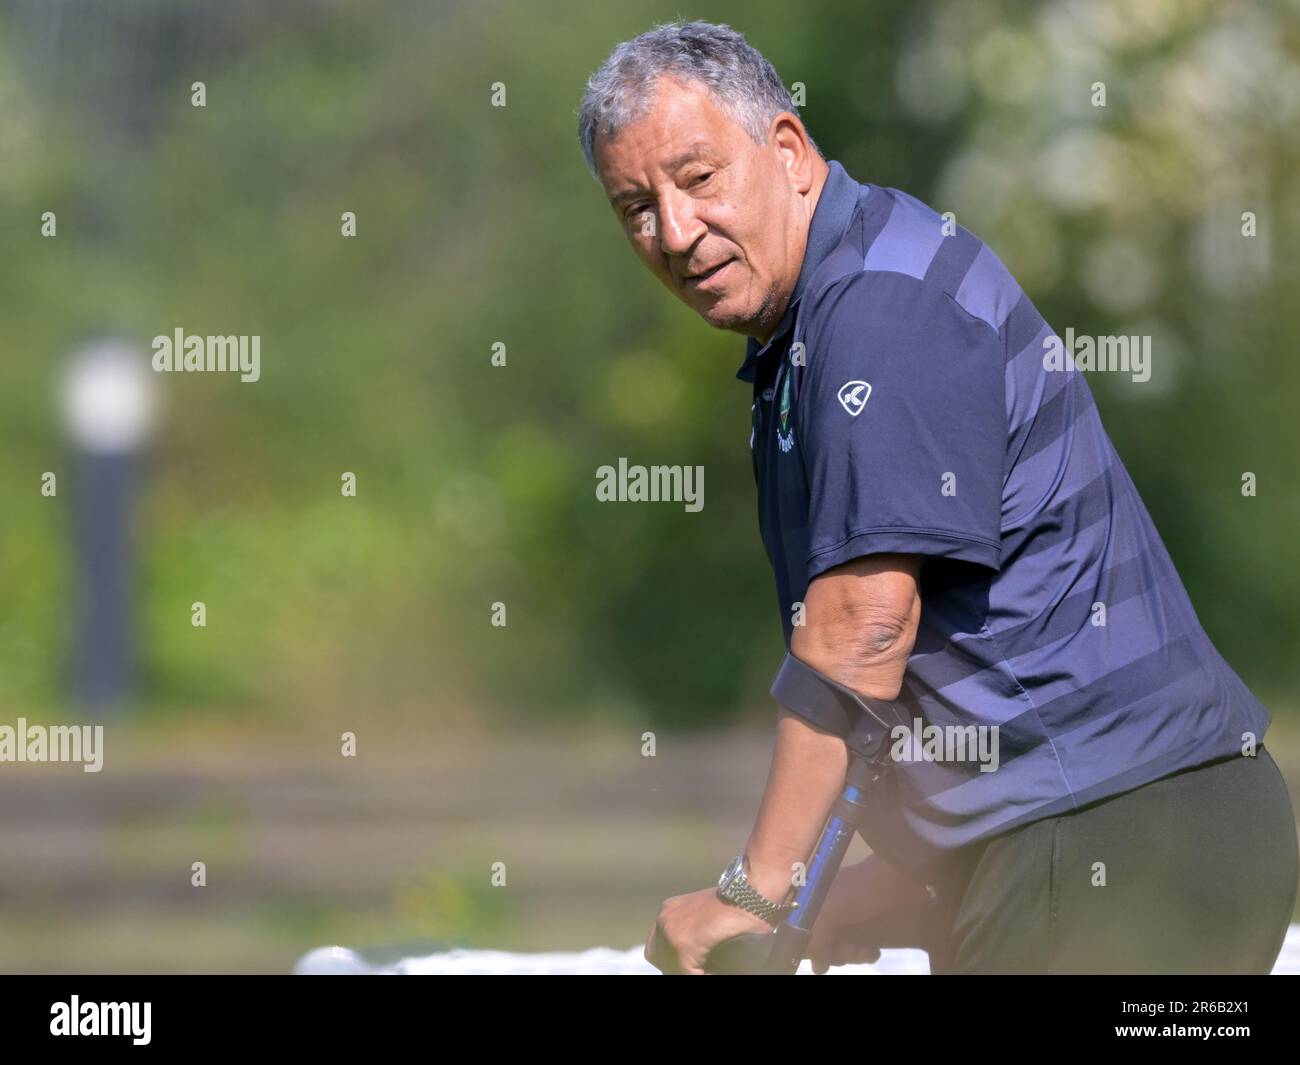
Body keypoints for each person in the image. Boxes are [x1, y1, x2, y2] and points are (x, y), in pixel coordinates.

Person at [576, 19, 1299, 975]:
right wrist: (871, 888)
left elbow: (863, 631)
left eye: (698, 178)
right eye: (636, 206)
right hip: (1110, 836)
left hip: (1123, 838)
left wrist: (756, 893)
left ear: (787, 150)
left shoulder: (879, 311)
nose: (673, 232)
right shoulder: (831, 307)